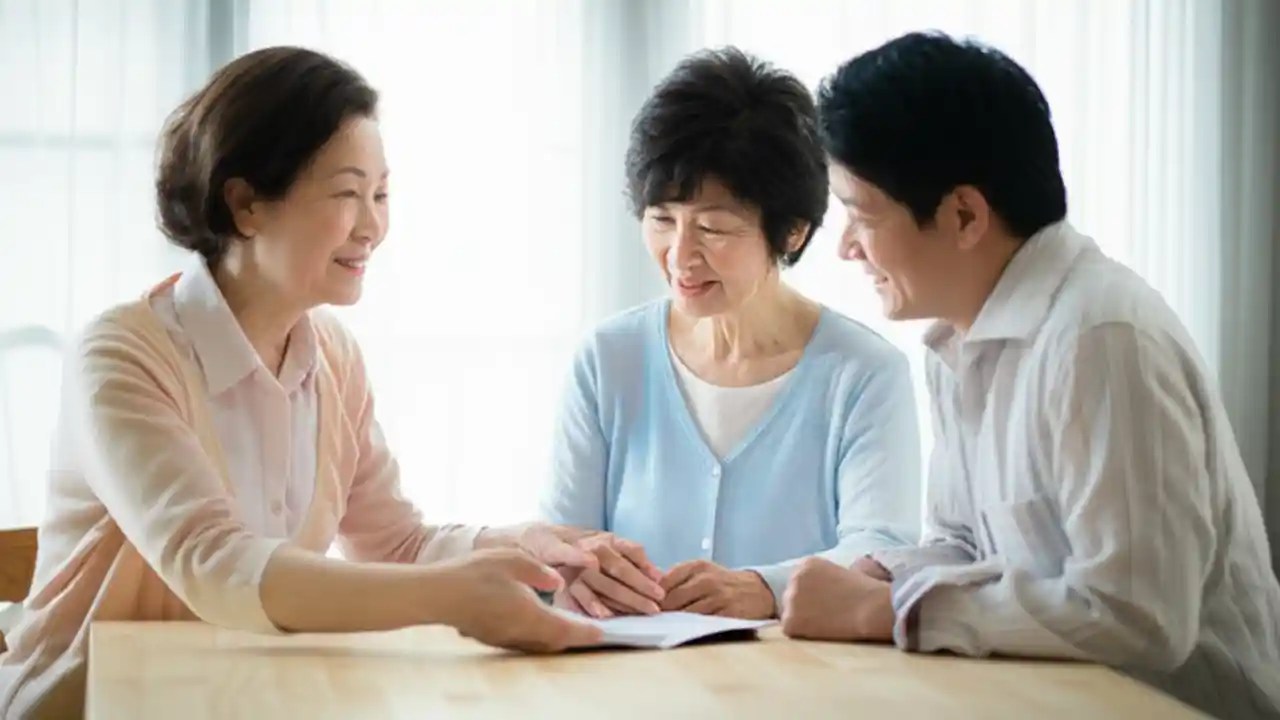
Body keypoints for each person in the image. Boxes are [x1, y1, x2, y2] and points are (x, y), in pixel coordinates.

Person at [0, 46, 606, 719]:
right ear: (245, 205)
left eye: (381, 195)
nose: (373, 227)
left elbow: (396, 545)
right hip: (88, 703)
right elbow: (214, 563)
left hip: (243, 699)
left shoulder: (334, 357)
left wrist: (523, 548)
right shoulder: (123, 354)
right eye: (347, 194)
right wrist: (453, 597)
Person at [780, 31, 1280, 719]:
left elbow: (1139, 618)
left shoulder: (1102, 338)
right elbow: (964, 545)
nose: (846, 247)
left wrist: (887, 610)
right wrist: (876, 573)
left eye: (862, 215)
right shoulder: (955, 340)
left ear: (963, 215)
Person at [540, 47, 921, 622]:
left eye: (713, 228)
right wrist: (576, 569)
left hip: (799, 671)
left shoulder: (865, 373)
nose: (680, 256)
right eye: (662, 220)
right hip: (627, 667)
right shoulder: (608, 359)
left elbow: (882, 549)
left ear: (792, 232)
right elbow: (561, 540)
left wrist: (765, 588)